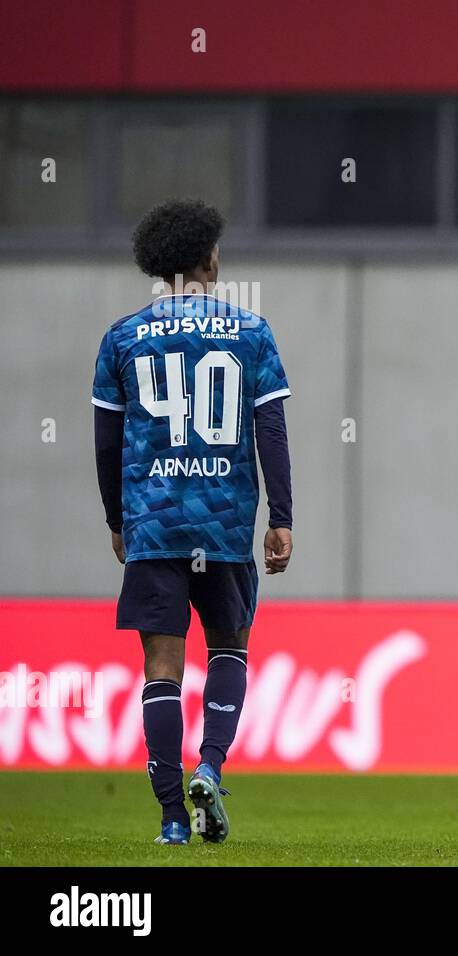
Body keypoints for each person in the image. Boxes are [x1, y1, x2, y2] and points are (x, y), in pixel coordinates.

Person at [92, 198, 293, 845]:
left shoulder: (122, 338)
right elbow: (271, 428)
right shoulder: (251, 332)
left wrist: (116, 519)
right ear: (210, 259)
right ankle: (210, 764)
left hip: (152, 524)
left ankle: (173, 819)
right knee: (230, 647)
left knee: (162, 669)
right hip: (227, 524)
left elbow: (105, 439)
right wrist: (281, 516)